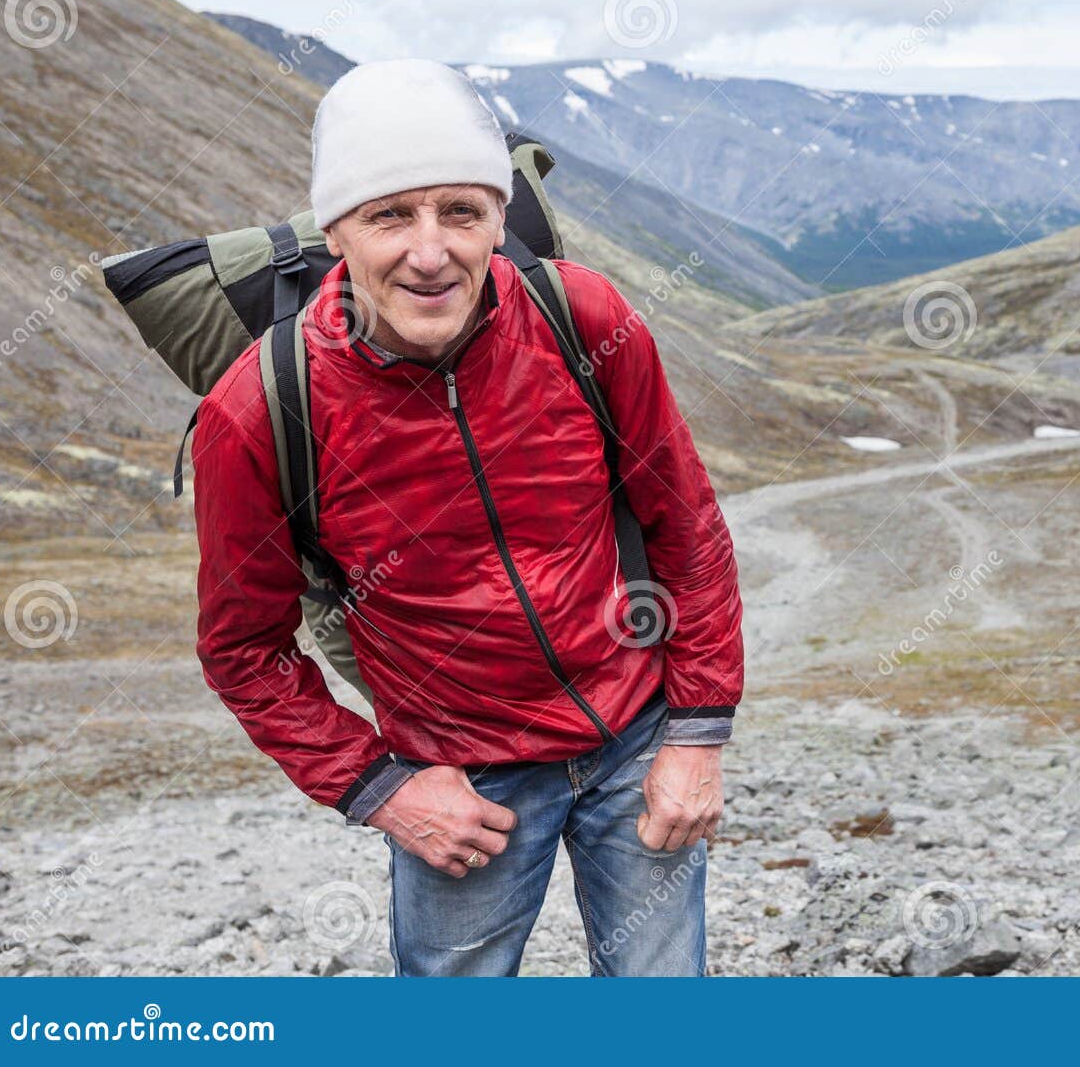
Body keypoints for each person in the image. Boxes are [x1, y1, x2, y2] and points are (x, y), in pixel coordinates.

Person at [190, 59, 744, 976]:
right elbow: (242, 650)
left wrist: (696, 732)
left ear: (497, 214)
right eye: (389, 215)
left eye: (461, 210)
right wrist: (383, 790)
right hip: (461, 783)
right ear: (336, 231)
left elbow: (686, 526)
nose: (430, 251)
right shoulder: (260, 408)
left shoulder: (585, 317)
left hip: (635, 735)